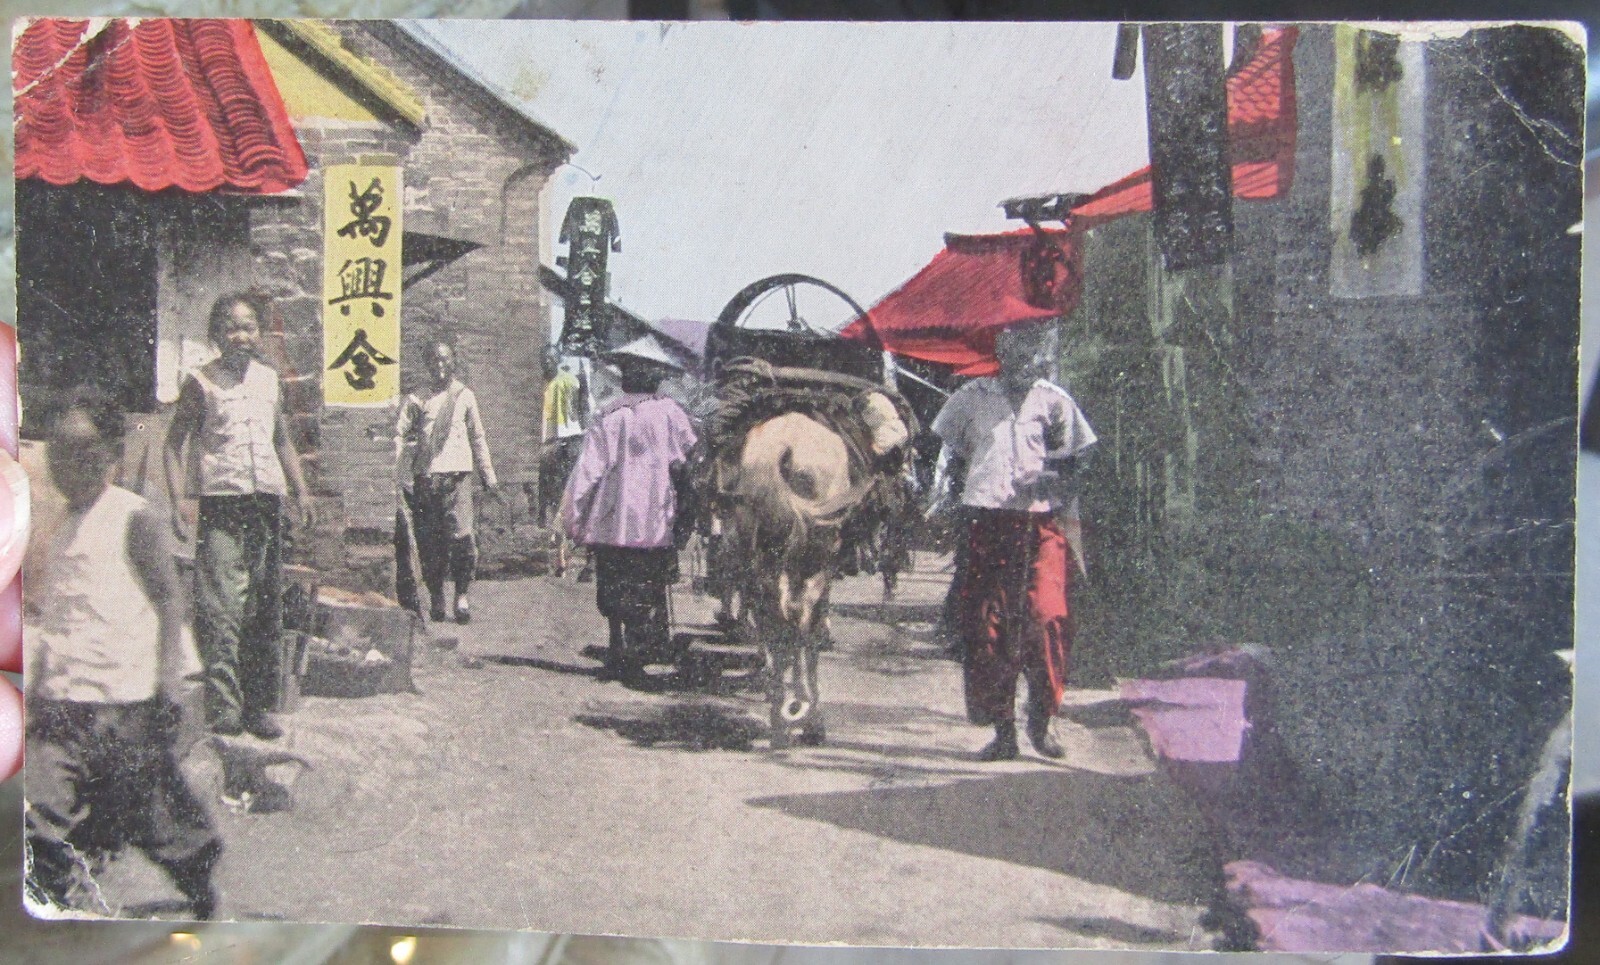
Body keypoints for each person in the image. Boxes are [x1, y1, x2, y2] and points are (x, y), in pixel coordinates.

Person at [26, 394, 222, 919]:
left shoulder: (133, 516)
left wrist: (170, 682)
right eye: (59, 453)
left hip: (124, 705)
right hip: (64, 704)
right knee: (39, 808)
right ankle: (62, 905)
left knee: (156, 817)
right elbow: (63, 612)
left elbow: (167, 599)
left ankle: (199, 878)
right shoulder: (64, 523)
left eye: (85, 451)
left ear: (112, 452)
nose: (71, 466)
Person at [930, 322, 1097, 761]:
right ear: (1001, 352)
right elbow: (950, 454)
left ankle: (1041, 720)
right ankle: (1003, 731)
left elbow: (1081, 465)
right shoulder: (971, 399)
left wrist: (1051, 480)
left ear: (1041, 355)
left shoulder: (1056, 403)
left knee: (1046, 619)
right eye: (1016, 351)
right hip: (985, 523)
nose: (1026, 361)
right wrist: (955, 497)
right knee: (989, 629)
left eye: (1033, 352)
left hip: (1040, 527)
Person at [164, 294, 315, 740]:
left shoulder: (269, 380)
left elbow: (282, 441)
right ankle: (224, 708)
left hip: (265, 504)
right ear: (216, 334)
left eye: (249, 327)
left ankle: (257, 707)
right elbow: (174, 445)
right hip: (222, 505)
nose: (241, 336)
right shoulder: (200, 383)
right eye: (231, 327)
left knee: (264, 607)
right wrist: (179, 502)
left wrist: (300, 491)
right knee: (221, 608)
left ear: (260, 333)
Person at [562, 334, 696, 682]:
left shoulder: (609, 417)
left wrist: (573, 520)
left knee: (612, 582)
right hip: (654, 519)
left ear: (625, 378)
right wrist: (686, 514)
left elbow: (587, 472)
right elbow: (687, 463)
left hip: (613, 520)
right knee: (647, 582)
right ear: (656, 378)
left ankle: (618, 644)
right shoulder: (671, 414)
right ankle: (639, 646)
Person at [394, 338, 499, 624]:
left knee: (463, 538)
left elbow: (478, 438)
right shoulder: (418, 399)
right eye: (434, 361)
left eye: (445, 360)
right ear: (427, 364)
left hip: (458, 479)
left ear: (454, 361)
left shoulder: (464, 396)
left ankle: (461, 596)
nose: (440, 366)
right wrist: (401, 470)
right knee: (430, 542)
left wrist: (488, 475)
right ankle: (437, 596)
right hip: (427, 480)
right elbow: (400, 435)